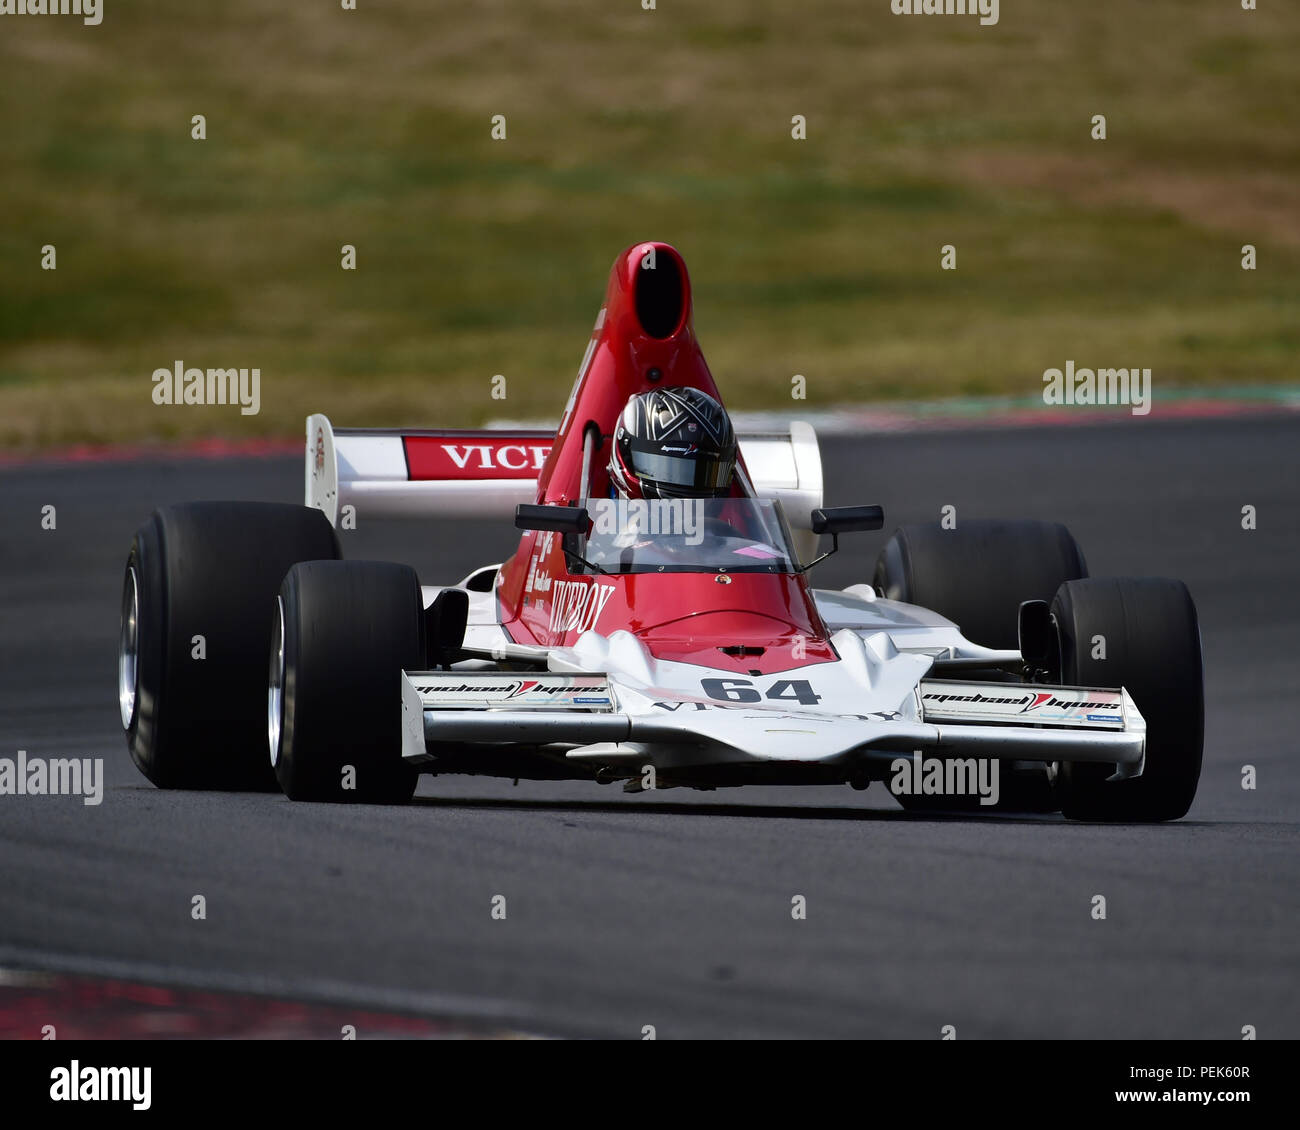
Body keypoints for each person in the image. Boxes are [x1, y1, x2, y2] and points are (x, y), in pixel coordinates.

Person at [607, 386, 737, 500]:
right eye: (668, 471)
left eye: (703, 475)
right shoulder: (592, 522)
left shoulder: (733, 522)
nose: (686, 501)